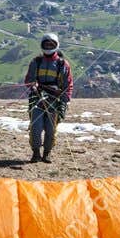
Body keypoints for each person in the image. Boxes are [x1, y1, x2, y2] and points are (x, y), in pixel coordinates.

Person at [24, 32, 73, 164]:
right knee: (35, 127)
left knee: (51, 130)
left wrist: (64, 101)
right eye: (46, 44)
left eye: (51, 44)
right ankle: (35, 153)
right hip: (37, 99)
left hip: (54, 101)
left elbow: (68, 85)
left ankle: (46, 154)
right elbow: (29, 79)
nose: (49, 46)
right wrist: (32, 86)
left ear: (56, 46)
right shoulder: (36, 62)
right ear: (42, 45)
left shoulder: (62, 64)